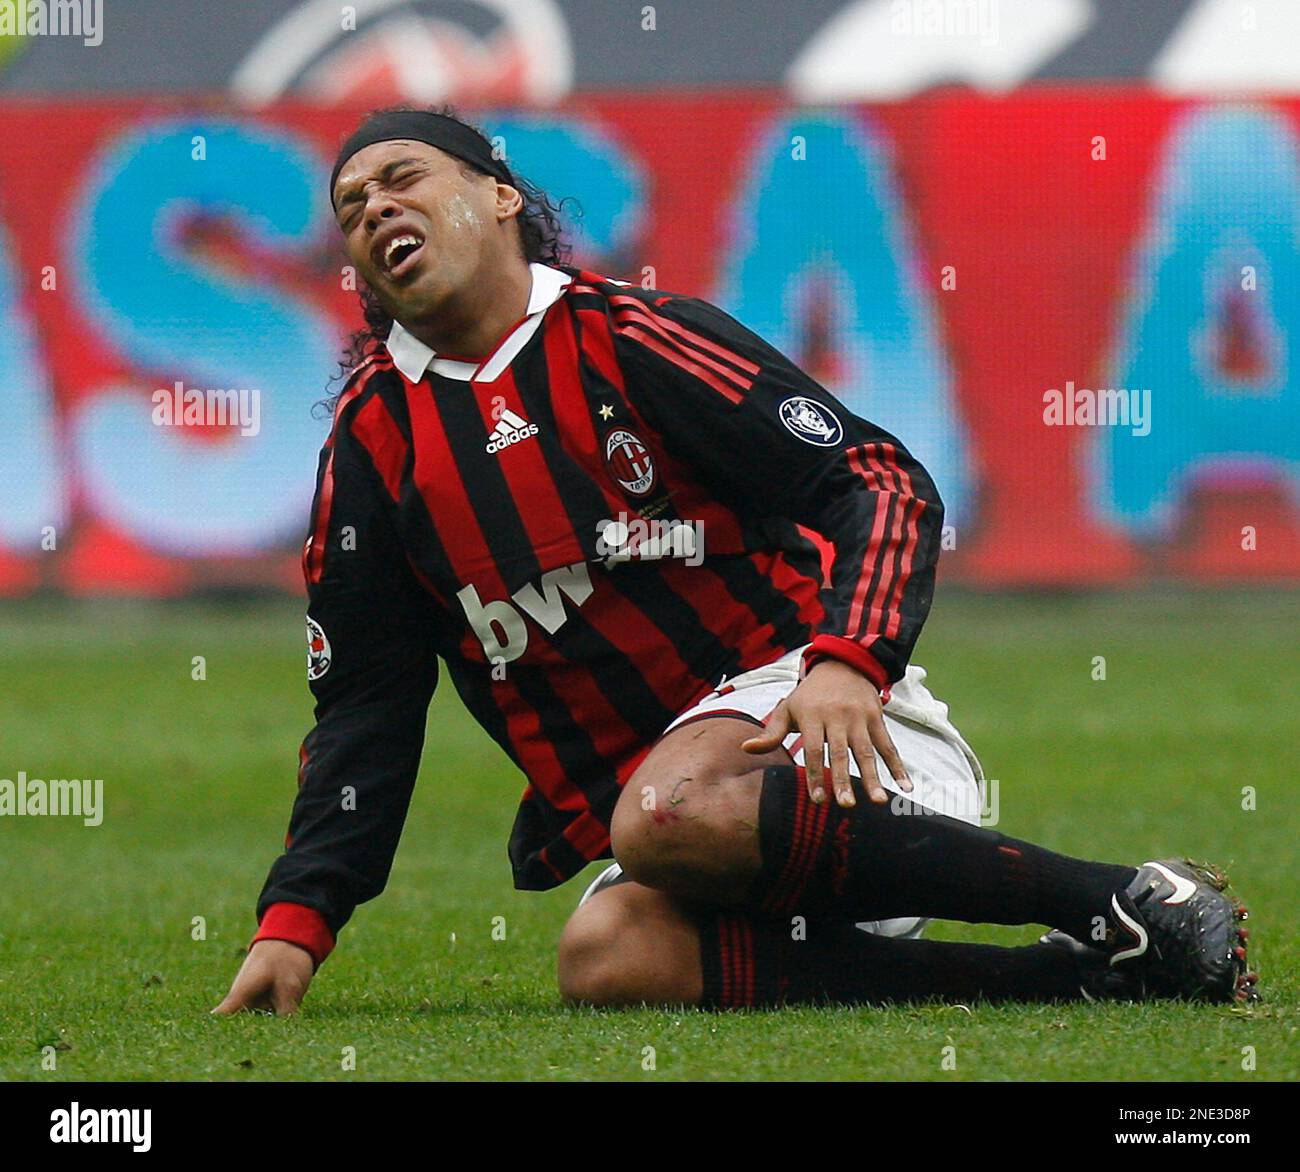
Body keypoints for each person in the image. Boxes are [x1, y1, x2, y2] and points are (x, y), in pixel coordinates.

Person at [213, 107, 1254, 1017]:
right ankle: (1066, 978)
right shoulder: (372, 447)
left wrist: (850, 660)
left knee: (667, 809)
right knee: (608, 957)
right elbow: (363, 707)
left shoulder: (632, 338)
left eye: (403, 180)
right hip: (687, 830)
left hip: (850, 752)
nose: (376, 211)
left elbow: (878, 480)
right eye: (351, 209)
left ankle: (1124, 895)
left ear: (495, 195)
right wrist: (296, 920)